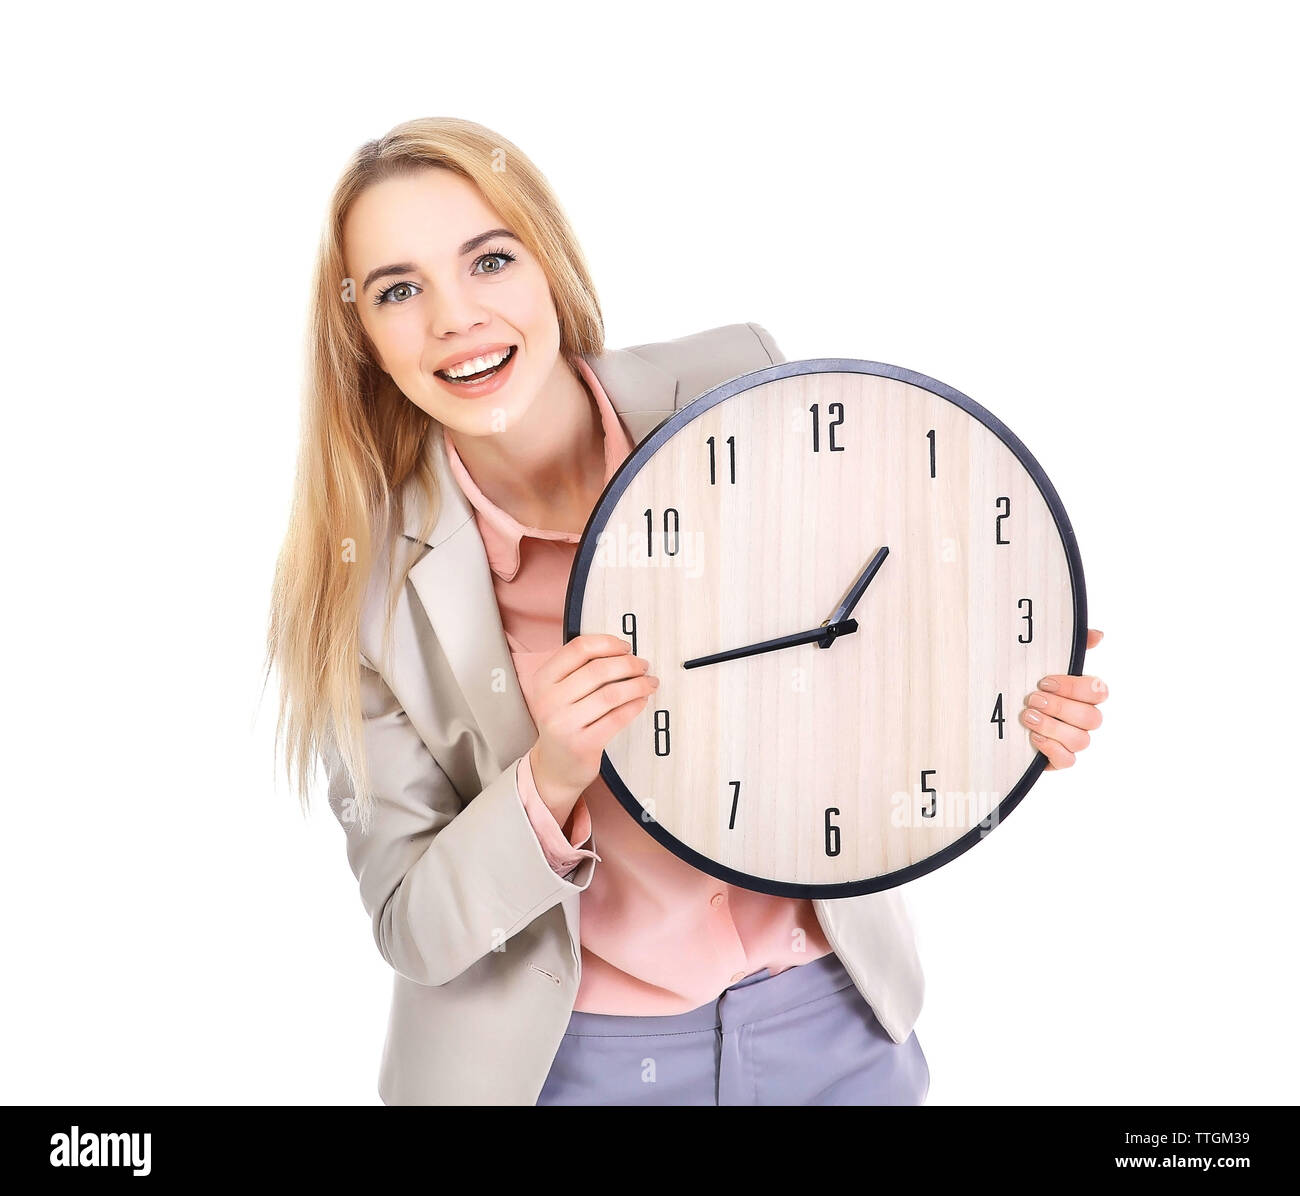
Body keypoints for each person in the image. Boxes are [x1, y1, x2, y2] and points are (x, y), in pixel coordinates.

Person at [264, 116, 1108, 1106]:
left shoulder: (729, 383)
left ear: (549, 266)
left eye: (488, 259)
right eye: (401, 289)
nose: (456, 316)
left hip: (832, 1023)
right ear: (361, 335)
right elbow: (413, 923)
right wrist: (549, 775)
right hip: (571, 1066)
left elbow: (860, 622)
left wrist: (994, 696)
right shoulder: (361, 587)